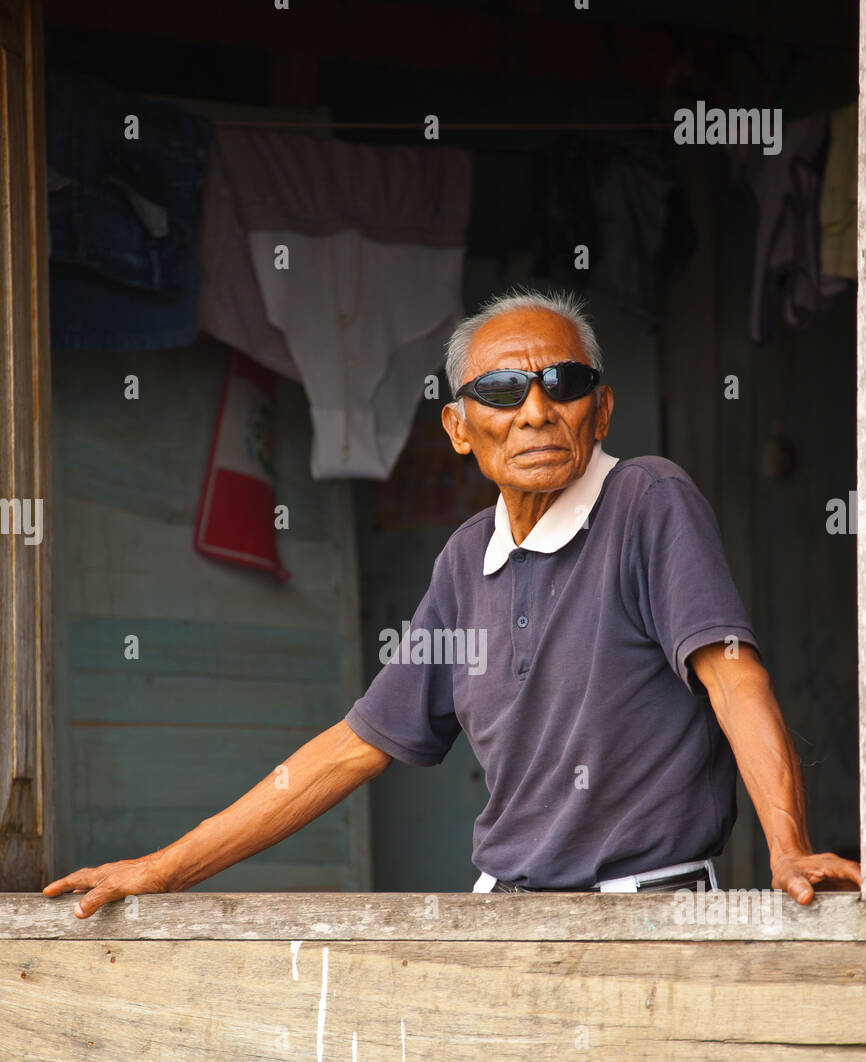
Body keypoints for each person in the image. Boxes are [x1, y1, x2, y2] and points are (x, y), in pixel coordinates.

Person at [44, 288, 861, 916]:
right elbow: (350, 749)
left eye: (563, 384)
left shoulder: (649, 502)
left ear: (601, 409)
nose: (536, 409)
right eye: (503, 391)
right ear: (460, 428)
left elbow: (733, 678)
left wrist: (787, 848)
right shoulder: (468, 559)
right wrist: (159, 870)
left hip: (646, 915)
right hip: (501, 918)